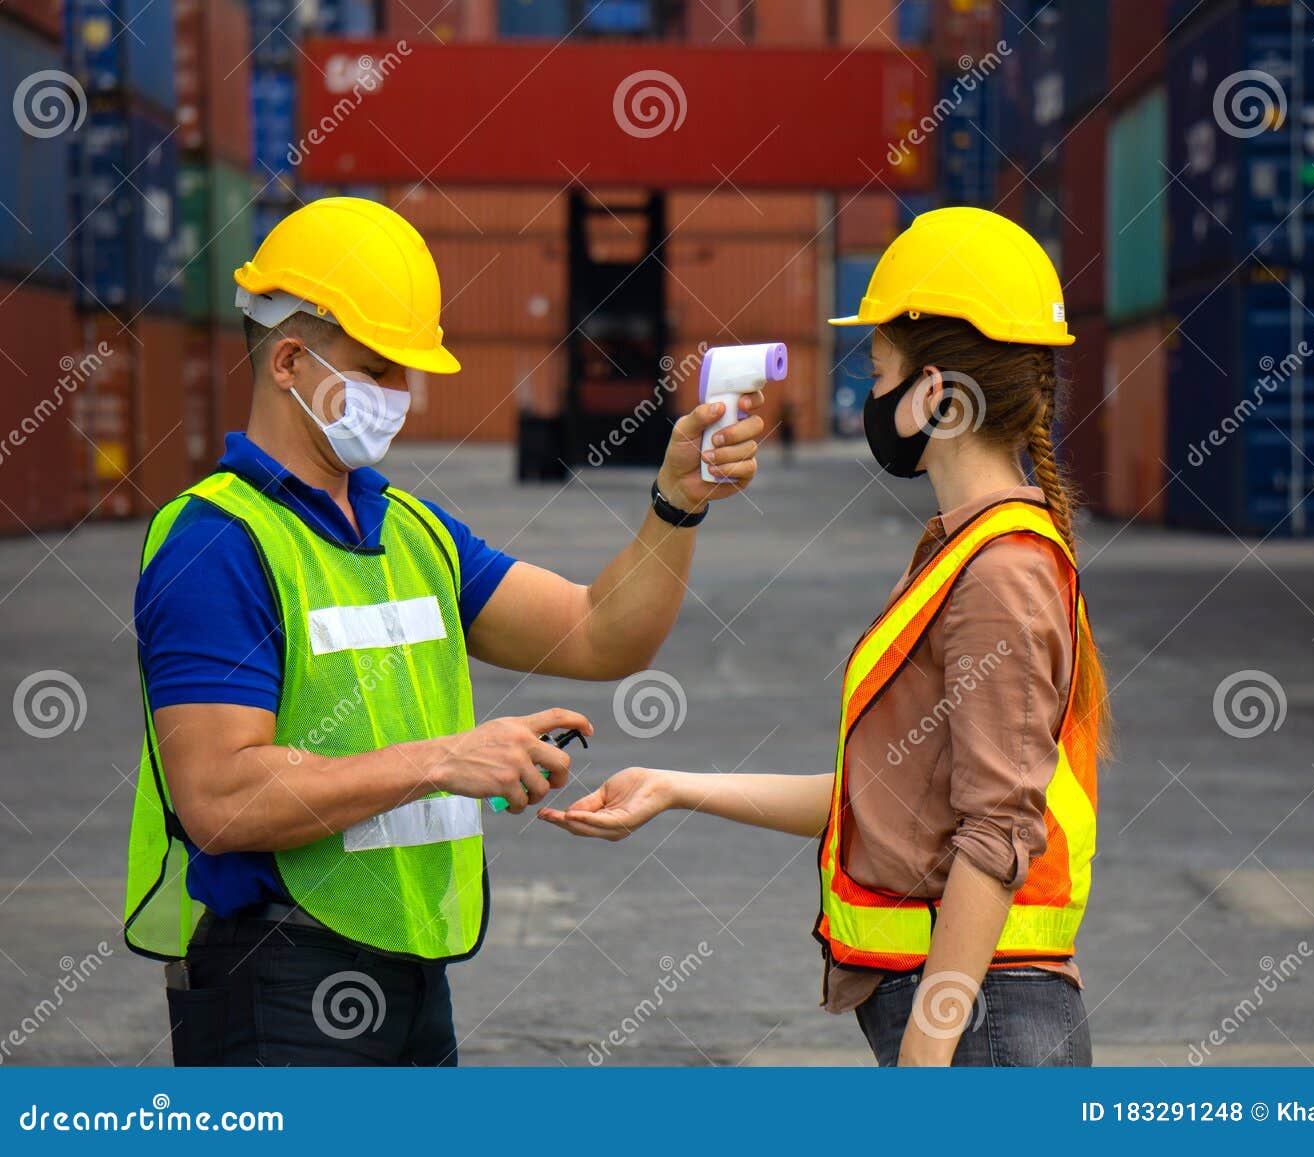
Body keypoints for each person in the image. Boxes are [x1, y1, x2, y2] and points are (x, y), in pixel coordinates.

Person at [124, 197, 767, 1066]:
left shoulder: (415, 531)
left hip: (415, 973)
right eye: (375, 369)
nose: (397, 396)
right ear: (288, 360)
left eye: (402, 373)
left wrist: (678, 499)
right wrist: (443, 758)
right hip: (276, 979)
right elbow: (220, 798)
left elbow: (599, 635)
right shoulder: (216, 544)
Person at [540, 207, 1111, 1067]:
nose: (870, 398)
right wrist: (674, 785)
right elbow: (880, 795)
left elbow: (994, 835)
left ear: (937, 395)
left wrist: (927, 1049)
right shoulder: (963, 552)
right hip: (975, 1013)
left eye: (880, 374)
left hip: (979, 1020)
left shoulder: (1000, 574)